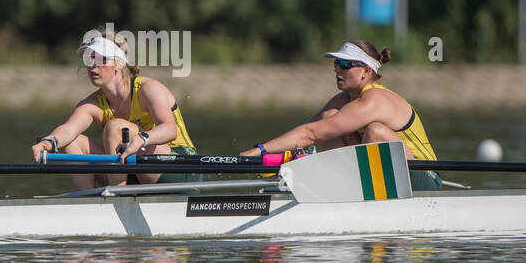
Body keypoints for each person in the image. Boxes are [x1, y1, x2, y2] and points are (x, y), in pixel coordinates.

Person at [238, 40, 442, 191]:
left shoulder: (375, 99)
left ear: (366, 71)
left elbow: (310, 134)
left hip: (424, 175)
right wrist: (263, 155)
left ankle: (347, 191)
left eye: (345, 65)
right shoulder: (343, 100)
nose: (337, 70)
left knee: (375, 131)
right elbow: (306, 134)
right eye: (336, 63)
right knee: (329, 118)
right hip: (389, 174)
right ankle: (339, 189)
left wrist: (259, 151)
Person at [30, 29, 200, 190]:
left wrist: (142, 139)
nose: (92, 66)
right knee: (72, 142)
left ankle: (117, 197)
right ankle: (89, 205)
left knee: (116, 127)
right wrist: (49, 142)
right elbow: (68, 129)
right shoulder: (93, 104)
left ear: (119, 63)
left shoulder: (148, 89)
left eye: (100, 59)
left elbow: (170, 130)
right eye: (89, 59)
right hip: (134, 169)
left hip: (181, 167)